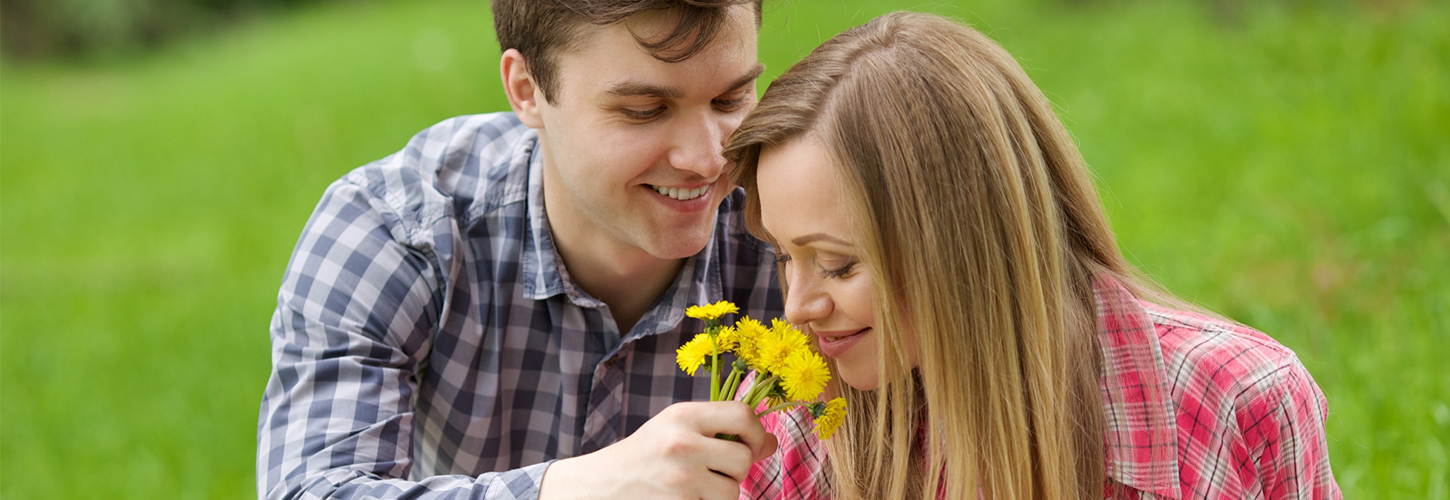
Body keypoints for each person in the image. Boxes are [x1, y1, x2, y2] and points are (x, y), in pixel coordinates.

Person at [725, 11, 1341, 500]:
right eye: (783, 256)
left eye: (837, 265)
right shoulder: (801, 414)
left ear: (958, 247)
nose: (798, 309)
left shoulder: (1235, 398)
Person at [256, 1, 785, 499]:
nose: (708, 159)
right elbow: (313, 487)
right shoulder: (398, 227)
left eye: (730, 99)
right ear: (527, 89)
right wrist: (577, 488)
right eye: (645, 109)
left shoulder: (798, 234)